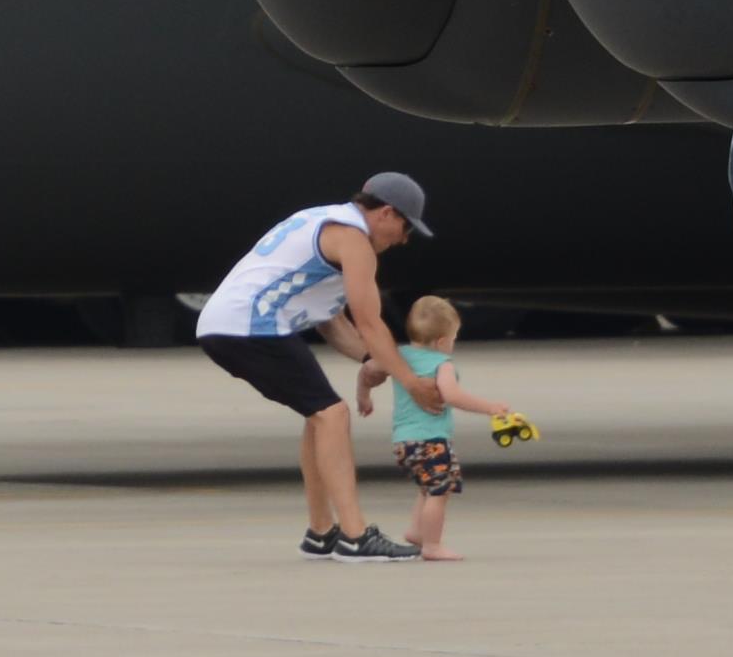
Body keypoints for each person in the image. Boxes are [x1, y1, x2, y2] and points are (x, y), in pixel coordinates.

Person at [192, 172, 430, 555]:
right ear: (386, 213)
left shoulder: (323, 221)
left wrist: (373, 361)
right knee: (331, 414)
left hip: (229, 324)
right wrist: (412, 383)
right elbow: (369, 322)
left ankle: (322, 532)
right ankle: (355, 538)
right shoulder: (353, 241)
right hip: (251, 325)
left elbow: (332, 323)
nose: (403, 240)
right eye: (405, 227)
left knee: (319, 415)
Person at [370, 299, 528, 558]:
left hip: (403, 441)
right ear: (442, 341)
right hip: (431, 440)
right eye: (454, 337)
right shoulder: (442, 364)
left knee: (427, 486)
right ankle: (432, 545)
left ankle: (416, 532)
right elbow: (452, 396)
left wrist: (364, 394)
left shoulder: (400, 356)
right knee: (439, 491)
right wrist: (489, 407)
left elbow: (370, 368)